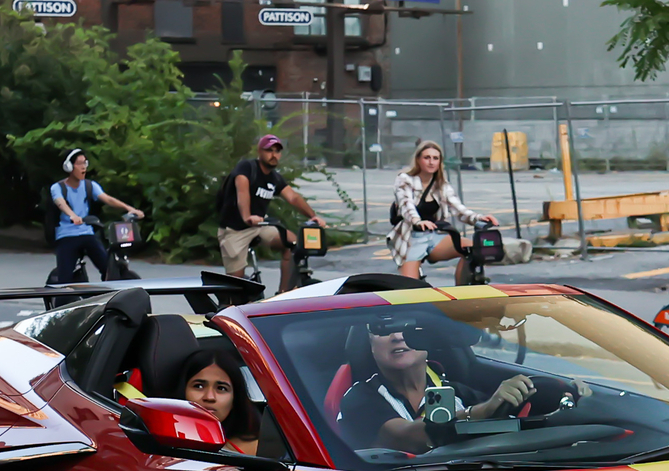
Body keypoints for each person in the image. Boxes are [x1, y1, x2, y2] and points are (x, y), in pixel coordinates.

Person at [335, 312, 535, 454]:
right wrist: (479, 413)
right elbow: (407, 437)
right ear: (369, 344)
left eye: (409, 328)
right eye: (384, 329)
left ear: (429, 339)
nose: (397, 337)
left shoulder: (459, 394)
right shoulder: (359, 398)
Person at [217, 133, 323, 283]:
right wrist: (248, 216)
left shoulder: (274, 178)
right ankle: (232, 302)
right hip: (235, 229)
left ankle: (284, 294)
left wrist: (313, 216)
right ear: (260, 152)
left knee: (292, 244)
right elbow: (242, 192)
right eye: (269, 150)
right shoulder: (247, 168)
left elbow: (293, 197)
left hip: (260, 225)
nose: (274, 155)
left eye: (277, 151)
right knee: (235, 284)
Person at [47, 149, 145, 287]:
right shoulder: (58, 187)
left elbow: (108, 199)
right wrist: (72, 215)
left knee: (108, 268)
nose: (83, 167)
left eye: (85, 163)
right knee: (65, 278)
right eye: (80, 163)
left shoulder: (89, 185)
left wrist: (130, 209)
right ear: (69, 166)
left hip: (87, 233)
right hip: (66, 234)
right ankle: (63, 301)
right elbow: (60, 202)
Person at [389, 140, 485, 279]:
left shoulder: (441, 184)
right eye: (426, 158)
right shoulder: (405, 179)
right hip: (410, 238)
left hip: (434, 236)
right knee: (410, 289)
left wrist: (478, 218)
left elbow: (459, 209)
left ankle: (462, 294)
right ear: (418, 160)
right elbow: (406, 204)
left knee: (472, 249)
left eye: (435, 158)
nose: (431, 162)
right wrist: (417, 221)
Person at [169, 344, 261, 457]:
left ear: (235, 399)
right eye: (198, 386)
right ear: (182, 391)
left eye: (221, 388)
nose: (209, 397)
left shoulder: (255, 449)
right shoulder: (159, 446)